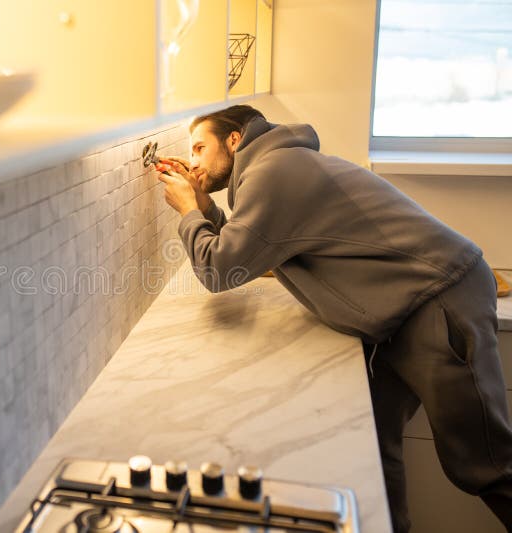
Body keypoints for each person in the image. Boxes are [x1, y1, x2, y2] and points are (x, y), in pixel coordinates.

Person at [156, 104, 512, 532]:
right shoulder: (275, 167)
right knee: (372, 453)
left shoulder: (275, 172)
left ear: (234, 140)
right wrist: (203, 208)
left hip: (440, 299)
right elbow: (249, 244)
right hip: (405, 312)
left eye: (199, 147)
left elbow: (219, 268)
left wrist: (188, 211)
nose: (192, 161)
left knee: (485, 464)